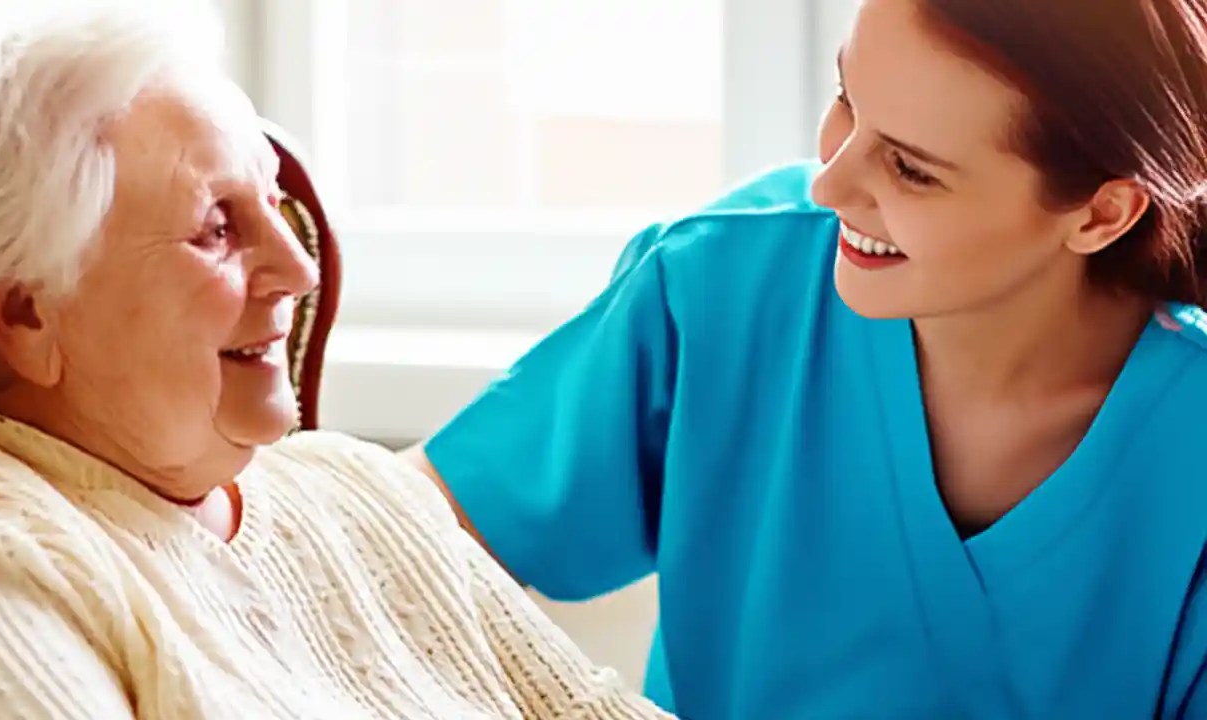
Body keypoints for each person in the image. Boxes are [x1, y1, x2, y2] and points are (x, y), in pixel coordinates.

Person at [406, 0, 1207, 717]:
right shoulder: (719, 285)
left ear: (1103, 213)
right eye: (846, 101)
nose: (829, 185)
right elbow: (390, 537)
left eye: (910, 168)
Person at [0, 2, 675, 718]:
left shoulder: (359, 492)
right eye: (216, 228)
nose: (299, 269)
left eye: (273, 206)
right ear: (27, 312)